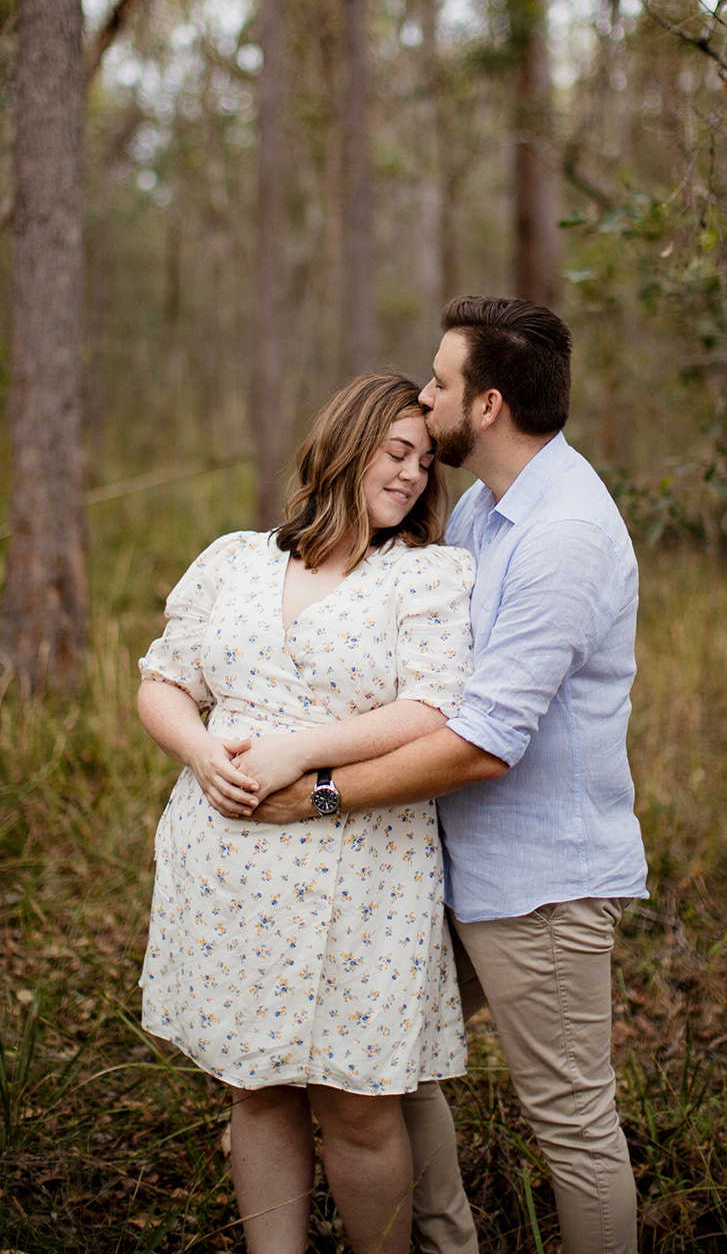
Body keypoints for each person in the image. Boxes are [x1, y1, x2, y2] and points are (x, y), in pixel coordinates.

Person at [246, 296, 649, 1254]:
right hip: (443, 869)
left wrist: (321, 791)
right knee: (392, 1069)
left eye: (438, 383)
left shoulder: (565, 535)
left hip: (539, 886)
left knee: (573, 1127)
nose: (424, 399)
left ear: (488, 406)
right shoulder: (483, 508)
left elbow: (481, 740)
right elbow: (421, 665)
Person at [137, 371, 489, 1254]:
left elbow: (434, 708)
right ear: (344, 445)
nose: (411, 475)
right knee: (255, 1089)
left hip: (360, 869)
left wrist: (302, 751)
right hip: (227, 868)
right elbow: (164, 680)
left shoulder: (427, 575)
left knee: (358, 1102)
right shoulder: (234, 558)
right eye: (395, 453)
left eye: (424, 463)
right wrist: (201, 749)